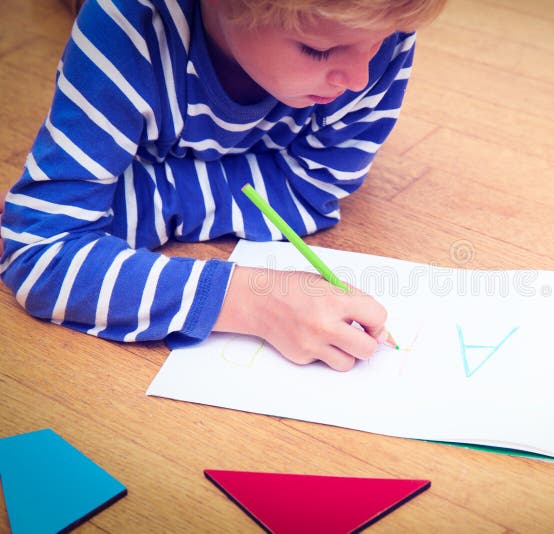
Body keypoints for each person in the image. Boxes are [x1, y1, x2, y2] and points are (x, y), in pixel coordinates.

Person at [0, 0, 446, 371]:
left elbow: (309, 188)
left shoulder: (378, 20)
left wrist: (148, 193)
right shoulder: (127, 30)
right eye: (318, 50)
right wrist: (254, 300)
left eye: (380, 44)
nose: (360, 79)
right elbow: (39, 251)